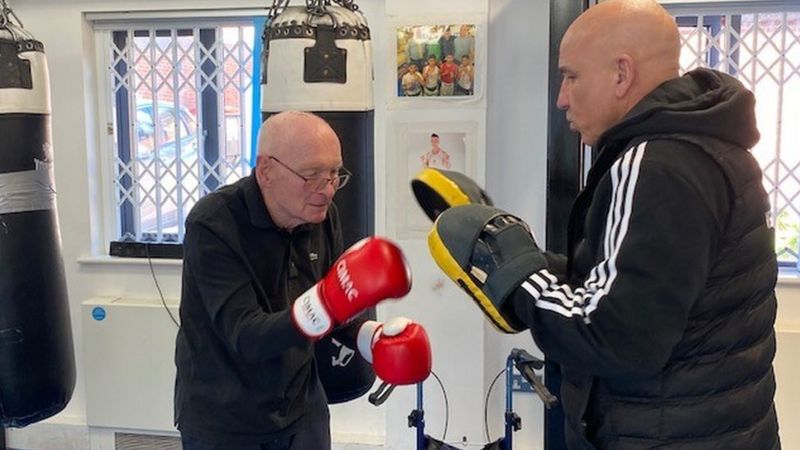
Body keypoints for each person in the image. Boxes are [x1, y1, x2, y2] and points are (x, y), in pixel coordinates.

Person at [429, 1, 780, 449]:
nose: (561, 97)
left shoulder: (653, 163)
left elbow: (616, 336)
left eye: (571, 75)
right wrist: (544, 263)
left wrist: (520, 275)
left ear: (621, 74)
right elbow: (647, 283)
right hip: (721, 428)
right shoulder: (712, 147)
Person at [174, 111, 432, 450]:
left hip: (302, 407)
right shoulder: (213, 226)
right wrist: (327, 303)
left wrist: (372, 337)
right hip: (226, 419)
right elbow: (246, 335)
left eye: (335, 174)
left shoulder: (322, 217)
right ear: (266, 171)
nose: (327, 190)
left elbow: (337, 306)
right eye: (312, 176)